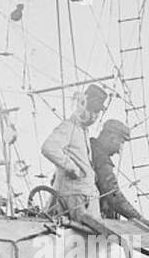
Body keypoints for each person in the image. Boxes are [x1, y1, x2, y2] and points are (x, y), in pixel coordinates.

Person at [41, 82, 109, 218]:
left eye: (98, 113)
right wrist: (71, 168)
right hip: (74, 196)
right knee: (86, 237)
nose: (95, 117)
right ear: (82, 106)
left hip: (84, 195)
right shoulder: (69, 127)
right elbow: (48, 148)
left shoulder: (82, 130)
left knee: (93, 237)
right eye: (93, 111)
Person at [91, 119, 149, 226]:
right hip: (94, 228)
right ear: (112, 138)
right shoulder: (101, 159)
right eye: (121, 142)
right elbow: (112, 194)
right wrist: (139, 218)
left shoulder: (88, 149)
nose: (119, 150)